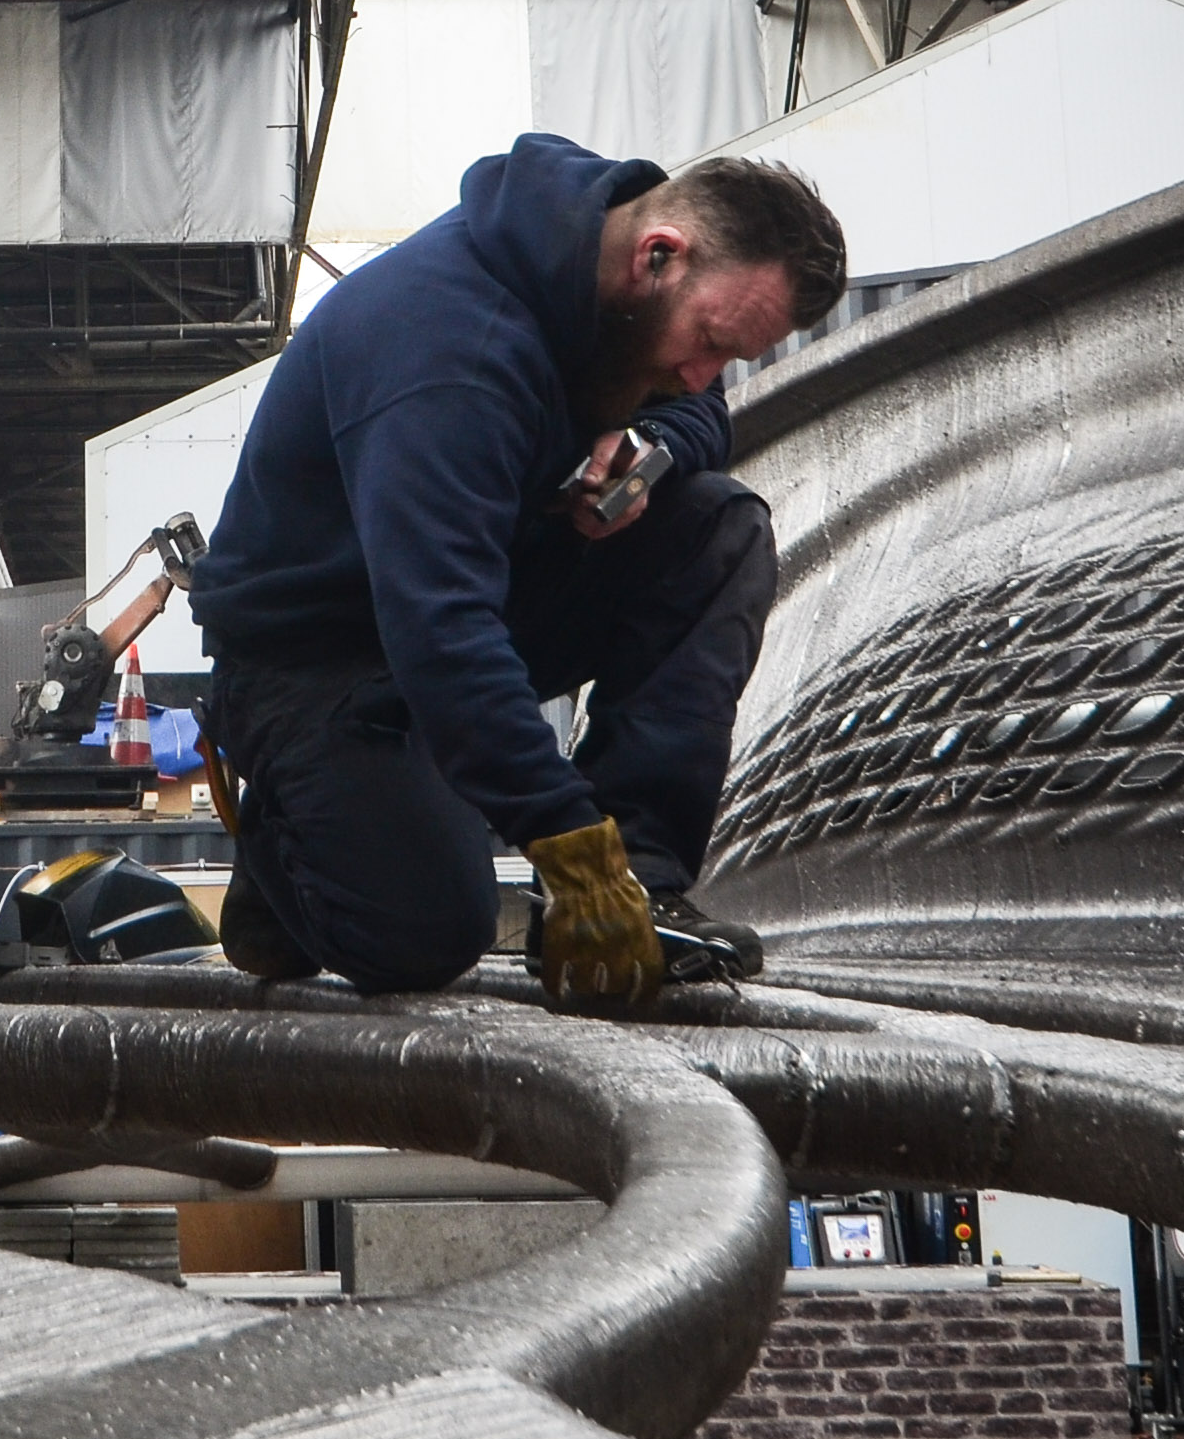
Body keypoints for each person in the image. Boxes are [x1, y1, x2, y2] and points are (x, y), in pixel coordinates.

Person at [190, 136, 849, 1005]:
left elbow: (700, 411)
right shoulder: (447, 351)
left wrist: (645, 452)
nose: (700, 373)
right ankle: (285, 847)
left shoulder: (614, 290)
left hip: (474, 600)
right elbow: (440, 629)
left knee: (715, 526)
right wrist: (571, 846)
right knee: (426, 936)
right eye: (708, 341)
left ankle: (644, 884)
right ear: (658, 257)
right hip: (317, 659)